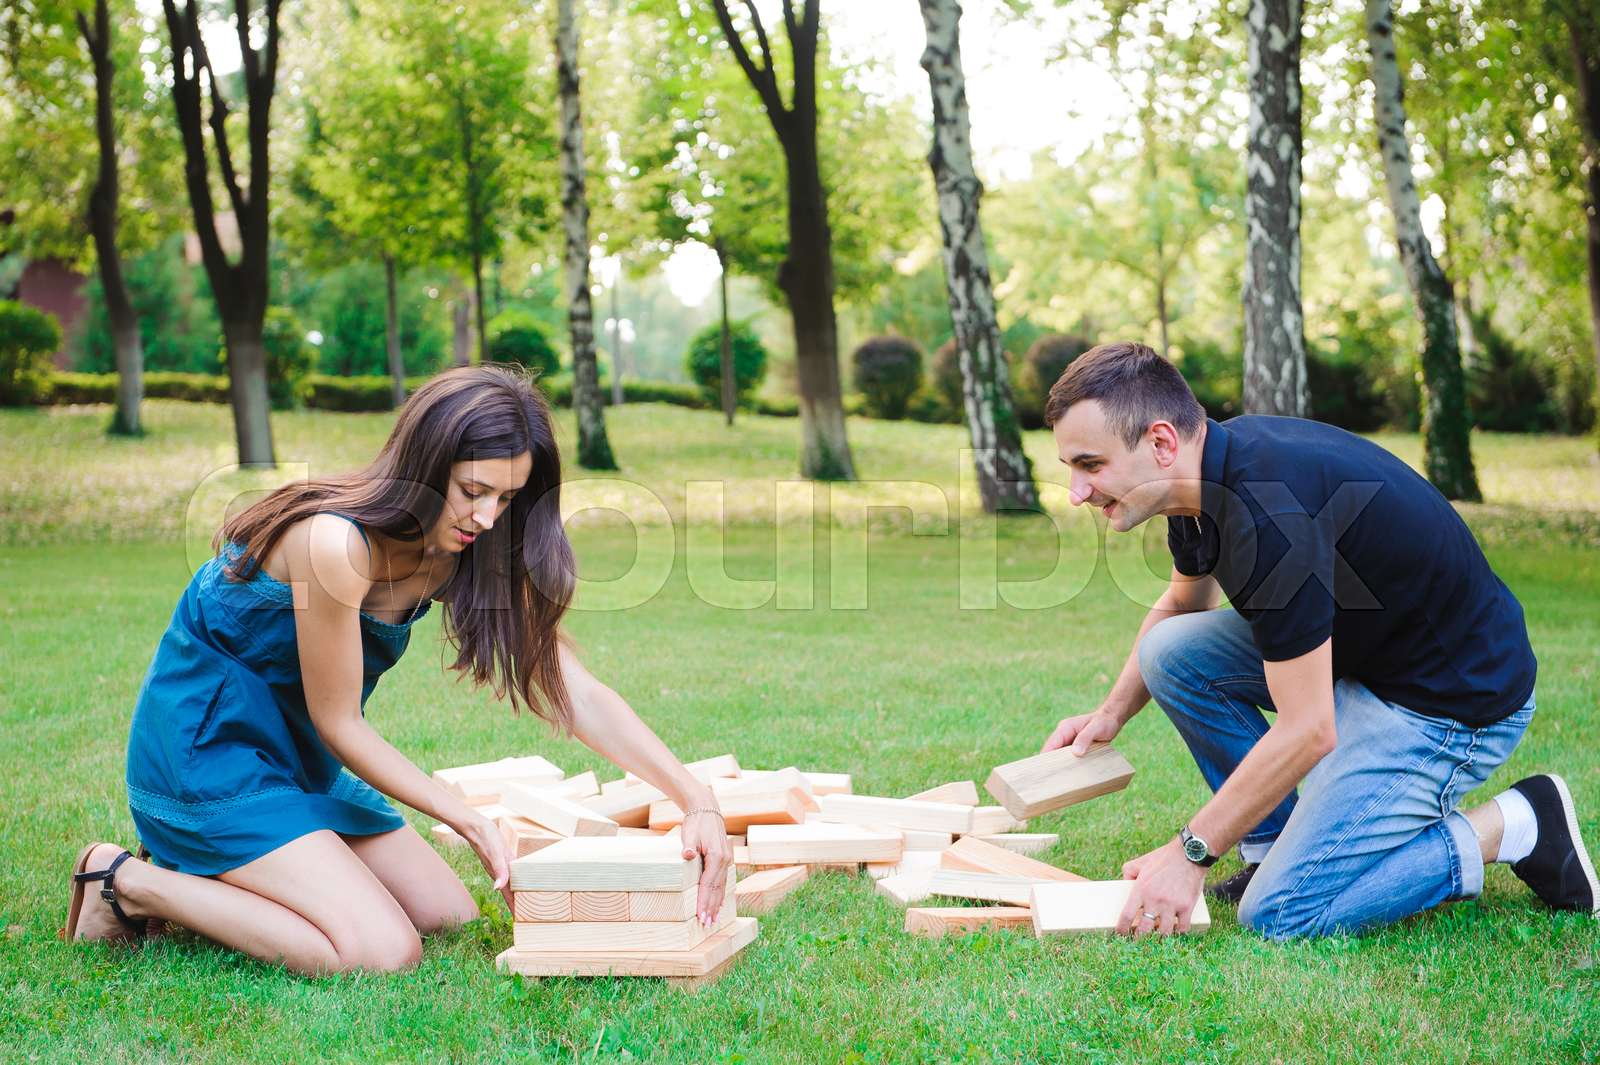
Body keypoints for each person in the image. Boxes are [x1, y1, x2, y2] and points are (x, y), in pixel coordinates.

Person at [63, 365, 732, 973]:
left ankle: (227, 872)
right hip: (204, 758)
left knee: (447, 912)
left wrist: (694, 797)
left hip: (293, 763)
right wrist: (463, 814)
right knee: (383, 949)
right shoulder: (333, 542)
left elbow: (569, 687)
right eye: (473, 490)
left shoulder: (463, 545)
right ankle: (126, 882)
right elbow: (339, 721)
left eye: (507, 497)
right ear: (425, 463)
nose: (487, 516)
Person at [1038, 341, 1595, 939]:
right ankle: (1271, 851)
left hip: (1448, 703)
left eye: (1090, 465)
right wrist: (1110, 714)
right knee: (1169, 653)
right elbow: (1182, 600)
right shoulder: (1196, 481)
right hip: (1365, 659)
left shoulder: (1268, 515)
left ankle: (1517, 823)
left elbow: (1309, 729)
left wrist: (1188, 854)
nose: (1076, 492)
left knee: (1281, 913)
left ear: (1162, 442)